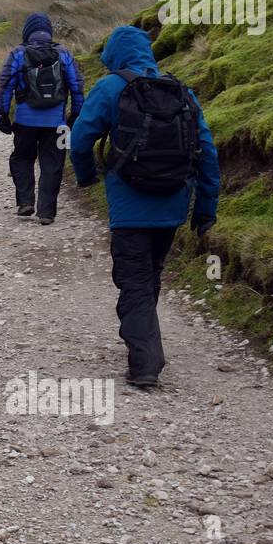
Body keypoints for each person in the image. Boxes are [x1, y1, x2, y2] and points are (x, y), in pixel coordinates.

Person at [69, 25, 220, 388]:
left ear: (114, 56)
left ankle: (145, 363)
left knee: (134, 280)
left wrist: (87, 177)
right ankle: (145, 338)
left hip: (129, 208)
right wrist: (205, 209)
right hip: (172, 206)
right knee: (150, 274)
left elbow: (79, 141)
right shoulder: (181, 91)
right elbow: (207, 154)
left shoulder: (110, 88)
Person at [0, 13, 84, 225]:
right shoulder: (64, 54)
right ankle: (47, 213)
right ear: (49, 32)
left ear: (27, 32)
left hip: (25, 121)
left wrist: (2, 113)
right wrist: (75, 115)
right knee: (53, 164)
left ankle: (26, 201)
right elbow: (77, 87)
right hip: (56, 123)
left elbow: (6, 85)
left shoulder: (18, 53)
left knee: (21, 158)